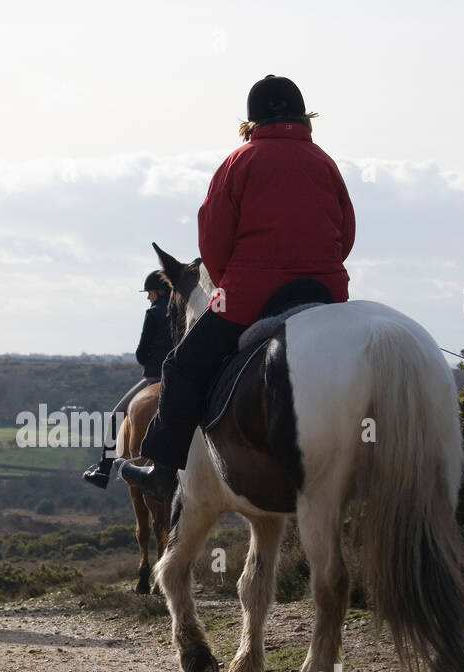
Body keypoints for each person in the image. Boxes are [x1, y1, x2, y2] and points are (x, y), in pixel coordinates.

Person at [121, 75, 355, 501]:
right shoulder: (325, 162)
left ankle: (162, 469)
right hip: (325, 297)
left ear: (252, 121)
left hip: (252, 296)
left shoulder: (238, 162)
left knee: (180, 367)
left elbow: (212, 246)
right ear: (304, 117)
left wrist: (232, 280)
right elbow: (348, 233)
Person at [82, 269, 174, 488]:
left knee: (116, 415)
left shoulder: (153, 313)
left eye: (149, 292)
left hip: (155, 376)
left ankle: (103, 471)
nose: (148, 297)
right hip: (181, 377)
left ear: (159, 291)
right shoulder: (183, 311)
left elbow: (142, 353)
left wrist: (149, 362)